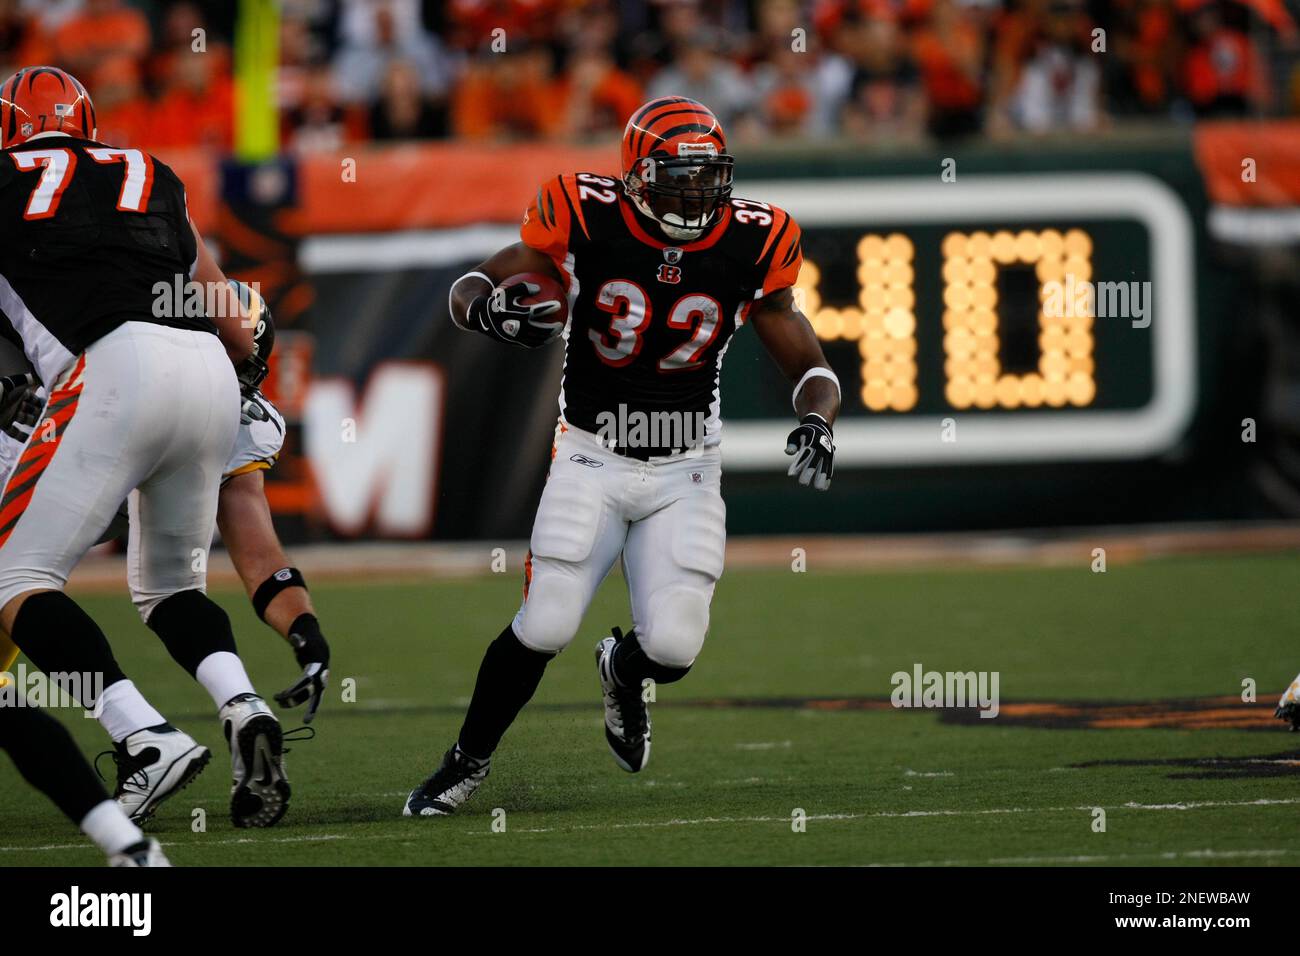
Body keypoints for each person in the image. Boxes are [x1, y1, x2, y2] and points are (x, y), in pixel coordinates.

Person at [404, 95, 839, 816]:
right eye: (679, 178)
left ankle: (623, 670)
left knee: (674, 646)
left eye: (708, 178)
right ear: (637, 176)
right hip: (592, 455)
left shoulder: (754, 240)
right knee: (546, 622)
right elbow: (471, 285)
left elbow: (810, 365)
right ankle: (465, 763)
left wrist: (818, 420)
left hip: (686, 467)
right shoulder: (586, 214)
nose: (696, 195)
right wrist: (487, 311)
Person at [0, 66, 289, 828]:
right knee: (170, 588)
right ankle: (243, 705)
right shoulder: (150, 172)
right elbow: (235, 322)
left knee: (13, 579)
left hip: (110, 370)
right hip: (205, 373)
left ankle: (142, 735)